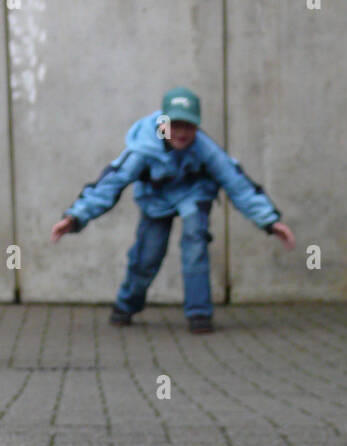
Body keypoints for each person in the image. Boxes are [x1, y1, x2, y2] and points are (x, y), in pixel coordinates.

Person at [50, 86, 295, 333]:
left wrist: (269, 221)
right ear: (163, 123)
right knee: (147, 255)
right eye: (174, 126)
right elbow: (111, 182)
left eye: (188, 126)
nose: (181, 133)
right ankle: (126, 304)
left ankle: (199, 313)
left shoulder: (204, 148)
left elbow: (237, 182)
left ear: (197, 128)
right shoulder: (142, 149)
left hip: (193, 195)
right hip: (155, 200)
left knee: (194, 242)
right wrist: (75, 217)